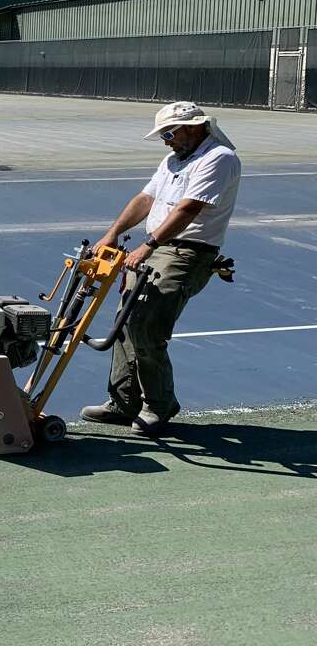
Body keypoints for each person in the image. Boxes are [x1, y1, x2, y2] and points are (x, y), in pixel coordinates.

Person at [82, 101, 242, 436]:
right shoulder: (173, 160)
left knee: (149, 327)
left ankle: (159, 405)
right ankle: (124, 401)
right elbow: (145, 200)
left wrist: (148, 245)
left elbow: (189, 209)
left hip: (185, 252)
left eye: (169, 133)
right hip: (154, 246)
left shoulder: (219, 159)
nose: (165, 140)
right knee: (125, 323)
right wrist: (112, 234)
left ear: (194, 127)